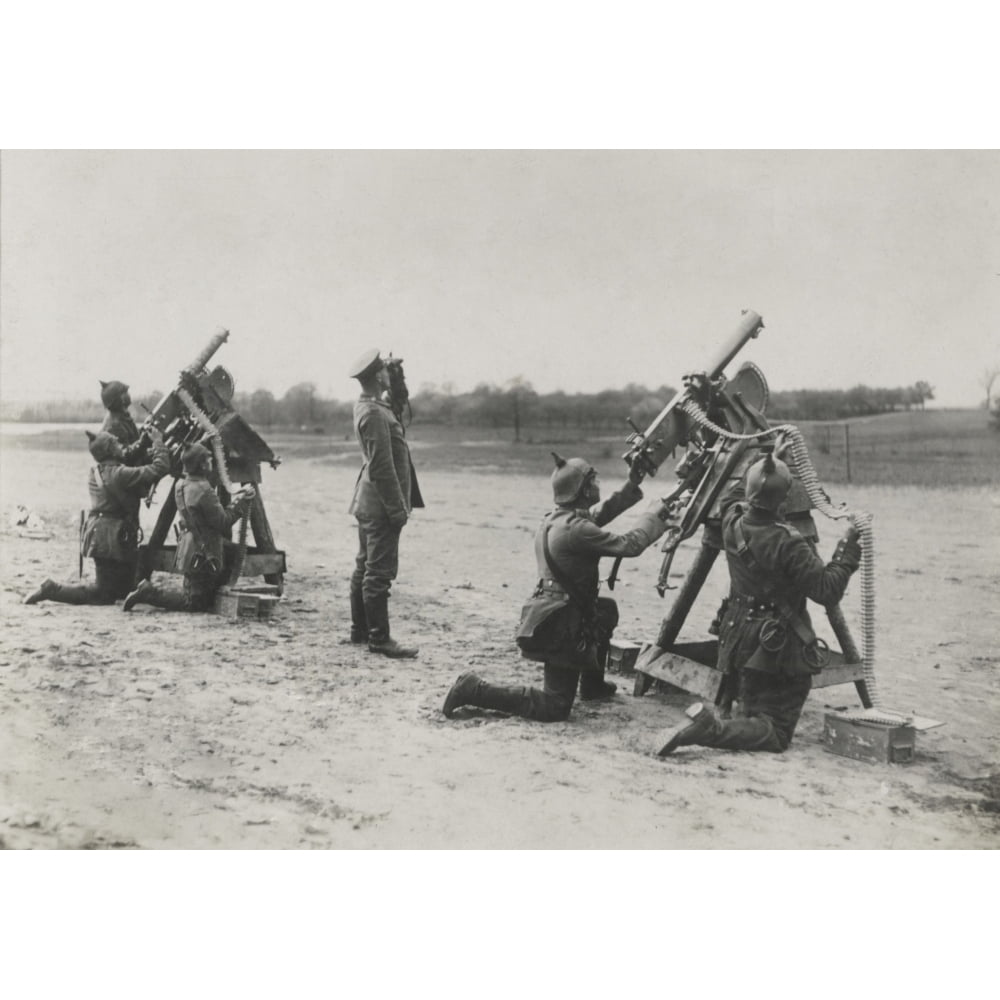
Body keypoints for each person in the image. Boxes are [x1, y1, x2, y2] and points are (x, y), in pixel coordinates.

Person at [657, 448, 862, 756]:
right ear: (785, 498)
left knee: (752, 710)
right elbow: (827, 590)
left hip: (737, 639)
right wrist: (848, 545)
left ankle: (731, 716)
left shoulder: (732, 521)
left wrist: (761, 463)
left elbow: (731, 496)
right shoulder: (788, 541)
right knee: (775, 732)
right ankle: (709, 729)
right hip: (773, 648)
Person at [442, 452, 674, 722]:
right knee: (554, 706)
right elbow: (629, 545)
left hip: (557, 609)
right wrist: (653, 518)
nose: (598, 484)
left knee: (604, 610)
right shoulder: (577, 530)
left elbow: (599, 515)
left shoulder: (559, 520)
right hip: (562, 623)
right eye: (594, 480)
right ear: (584, 490)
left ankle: (593, 685)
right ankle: (473, 689)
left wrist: (632, 483)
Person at [23, 428, 169, 606]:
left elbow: (126, 458)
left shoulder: (98, 471)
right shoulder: (119, 474)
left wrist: (143, 442)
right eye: (116, 443)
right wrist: (158, 442)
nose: (121, 445)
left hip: (101, 534)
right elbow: (160, 468)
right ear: (110, 450)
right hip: (111, 538)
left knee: (123, 590)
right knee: (102, 595)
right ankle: (52, 590)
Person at [347, 348, 423, 658]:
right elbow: (381, 466)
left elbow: (398, 405)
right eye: (384, 371)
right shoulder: (375, 413)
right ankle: (379, 639)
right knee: (378, 573)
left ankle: (360, 631)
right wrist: (397, 509)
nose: (387, 374)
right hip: (381, 506)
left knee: (364, 566)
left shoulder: (370, 406)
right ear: (378, 376)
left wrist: (396, 380)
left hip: (369, 501)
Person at [121, 442, 256, 612]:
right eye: (209, 460)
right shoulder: (204, 490)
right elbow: (223, 522)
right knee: (193, 603)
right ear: (202, 465)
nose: (211, 463)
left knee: (224, 558)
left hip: (190, 545)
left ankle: (206, 591)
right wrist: (242, 503)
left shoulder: (182, 484)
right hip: (205, 550)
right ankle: (148, 593)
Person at [99, 379, 147, 463]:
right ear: (120, 399)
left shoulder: (122, 416)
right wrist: (143, 442)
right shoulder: (114, 424)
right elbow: (125, 456)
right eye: (125, 392)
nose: (128, 395)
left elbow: (132, 437)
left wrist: (144, 430)